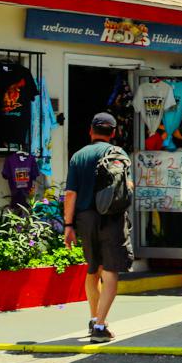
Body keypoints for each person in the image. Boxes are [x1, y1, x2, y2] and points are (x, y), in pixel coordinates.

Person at [62, 112, 130, 343]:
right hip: (112, 217)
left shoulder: (78, 156)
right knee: (110, 271)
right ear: (113, 133)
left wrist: (68, 225)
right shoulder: (118, 153)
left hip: (85, 218)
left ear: (91, 131)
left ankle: (93, 319)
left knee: (93, 269)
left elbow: (71, 193)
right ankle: (101, 326)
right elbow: (127, 186)